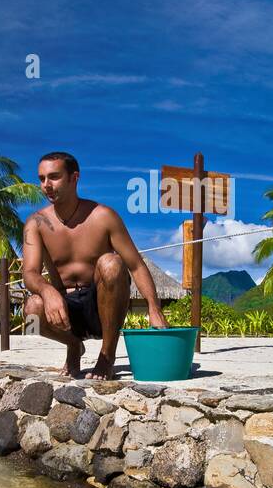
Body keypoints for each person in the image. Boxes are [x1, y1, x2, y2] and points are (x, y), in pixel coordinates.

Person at [20, 150, 169, 378]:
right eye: (42, 179)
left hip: (102, 308)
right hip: (64, 311)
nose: (46, 185)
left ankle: (107, 356)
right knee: (31, 309)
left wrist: (154, 308)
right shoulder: (36, 223)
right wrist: (47, 290)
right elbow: (29, 273)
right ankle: (73, 346)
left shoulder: (103, 216)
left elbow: (136, 265)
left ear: (74, 178)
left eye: (54, 177)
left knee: (111, 263)